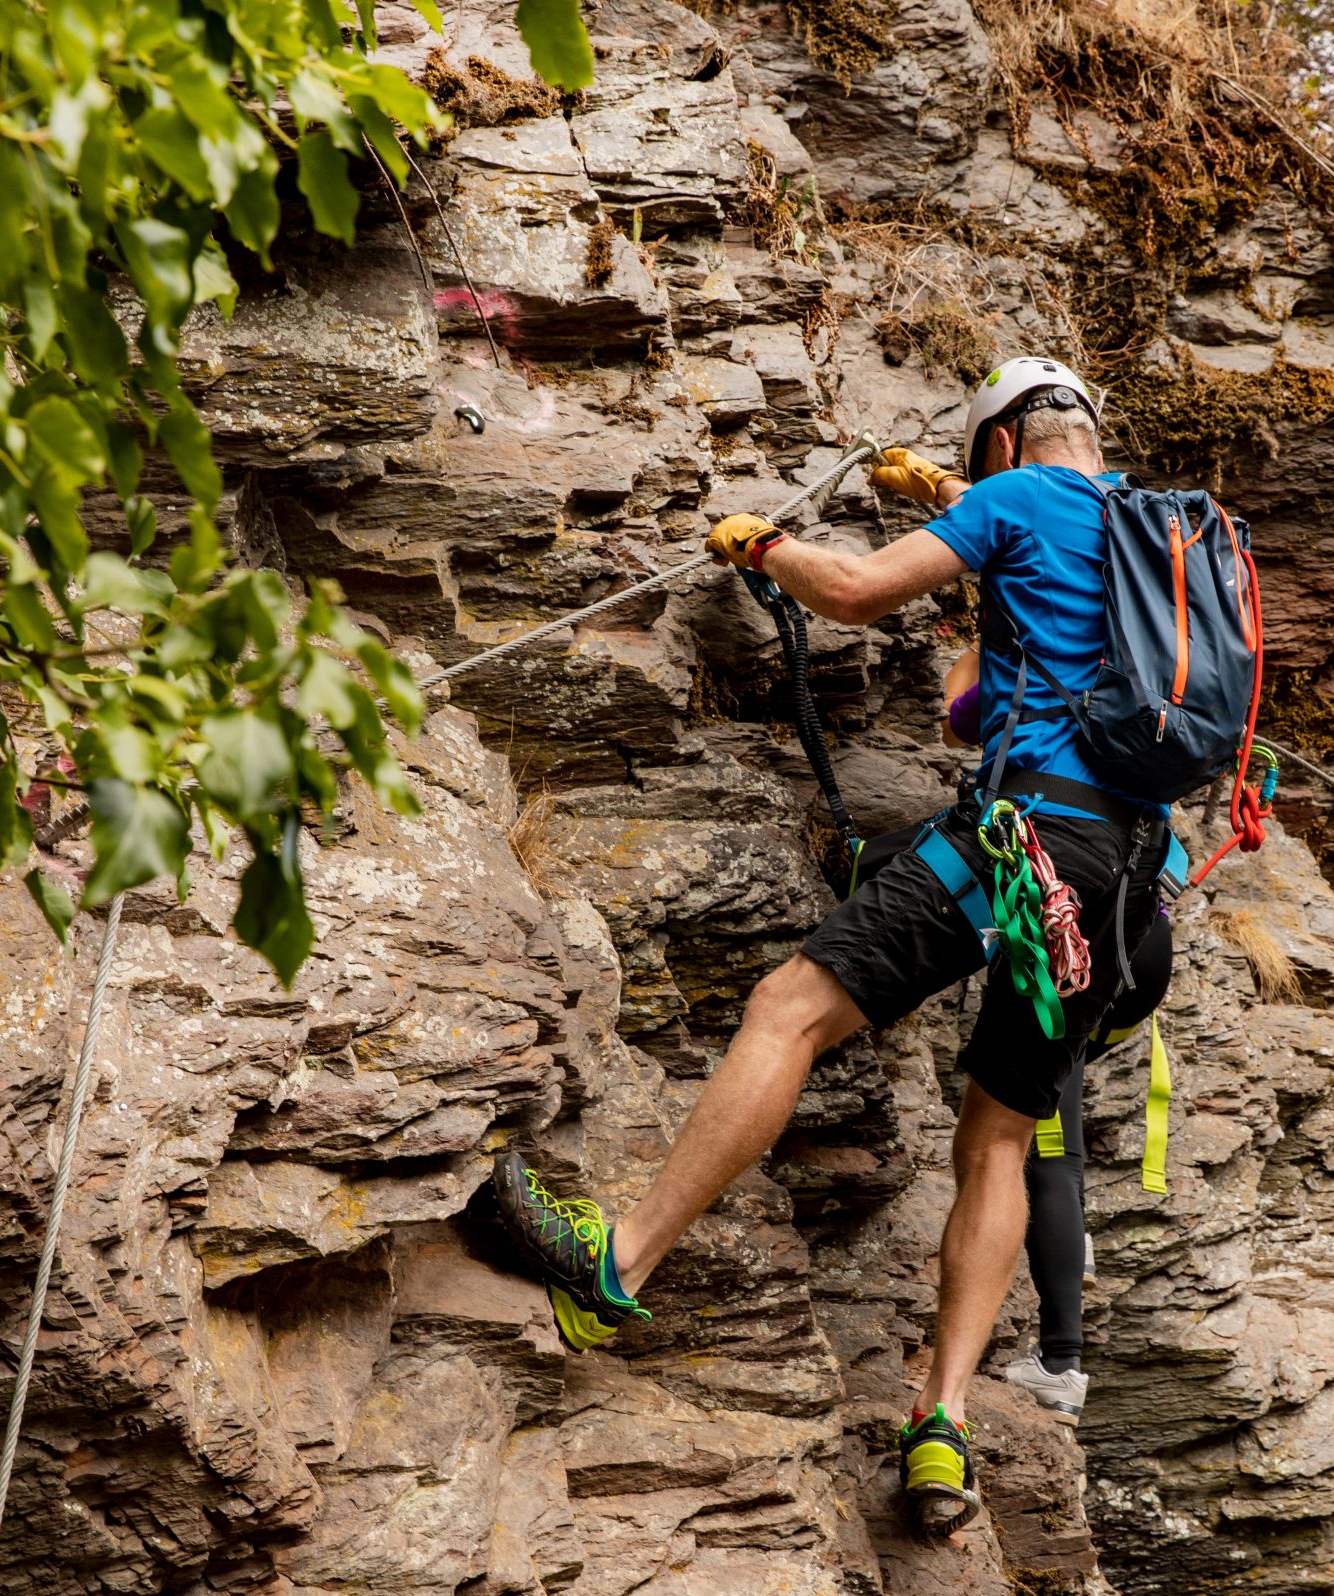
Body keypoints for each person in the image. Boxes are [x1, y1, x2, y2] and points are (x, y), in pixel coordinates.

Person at [491, 356, 1173, 1535]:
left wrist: (766, 549)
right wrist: (963, 537)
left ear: (1004, 445)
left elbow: (854, 593)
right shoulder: (1165, 541)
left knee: (789, 1009)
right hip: (1130, 893)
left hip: (1022, 850)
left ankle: (620, 1267)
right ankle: (941, 1427)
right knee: (1000, 1140)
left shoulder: (1015, 501)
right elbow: (998, 684)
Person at [1002, 916, 1171, 1426]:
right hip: (1144, 952)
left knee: (1048, 1153)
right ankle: (1075, 1253)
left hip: (1075, 949)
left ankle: (1059, 1364)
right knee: (1060, 1137)